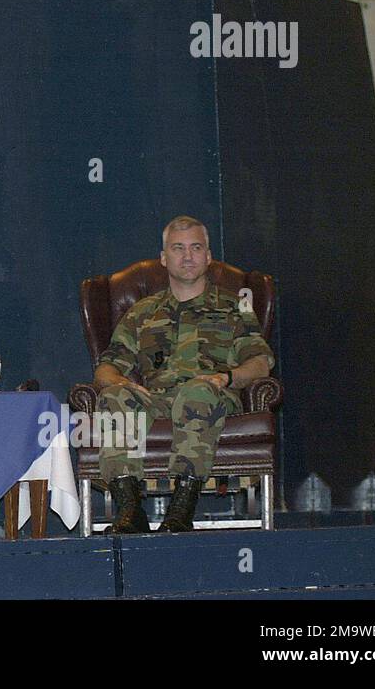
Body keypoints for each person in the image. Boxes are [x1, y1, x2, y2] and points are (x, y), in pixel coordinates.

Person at [93, 216, 274, 533]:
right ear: (164, 258)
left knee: (196, 392)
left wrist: (226, 379)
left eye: (196, 248)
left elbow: (260, 362)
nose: (187, 256)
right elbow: (107, 367)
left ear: (208, 256)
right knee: (113, 397)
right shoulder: (142, 312)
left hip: (212, 398)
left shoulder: (236, 308)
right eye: (178, 248)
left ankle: (180, 512)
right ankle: (130, 511)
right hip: (158, 401)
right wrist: (120, 382)